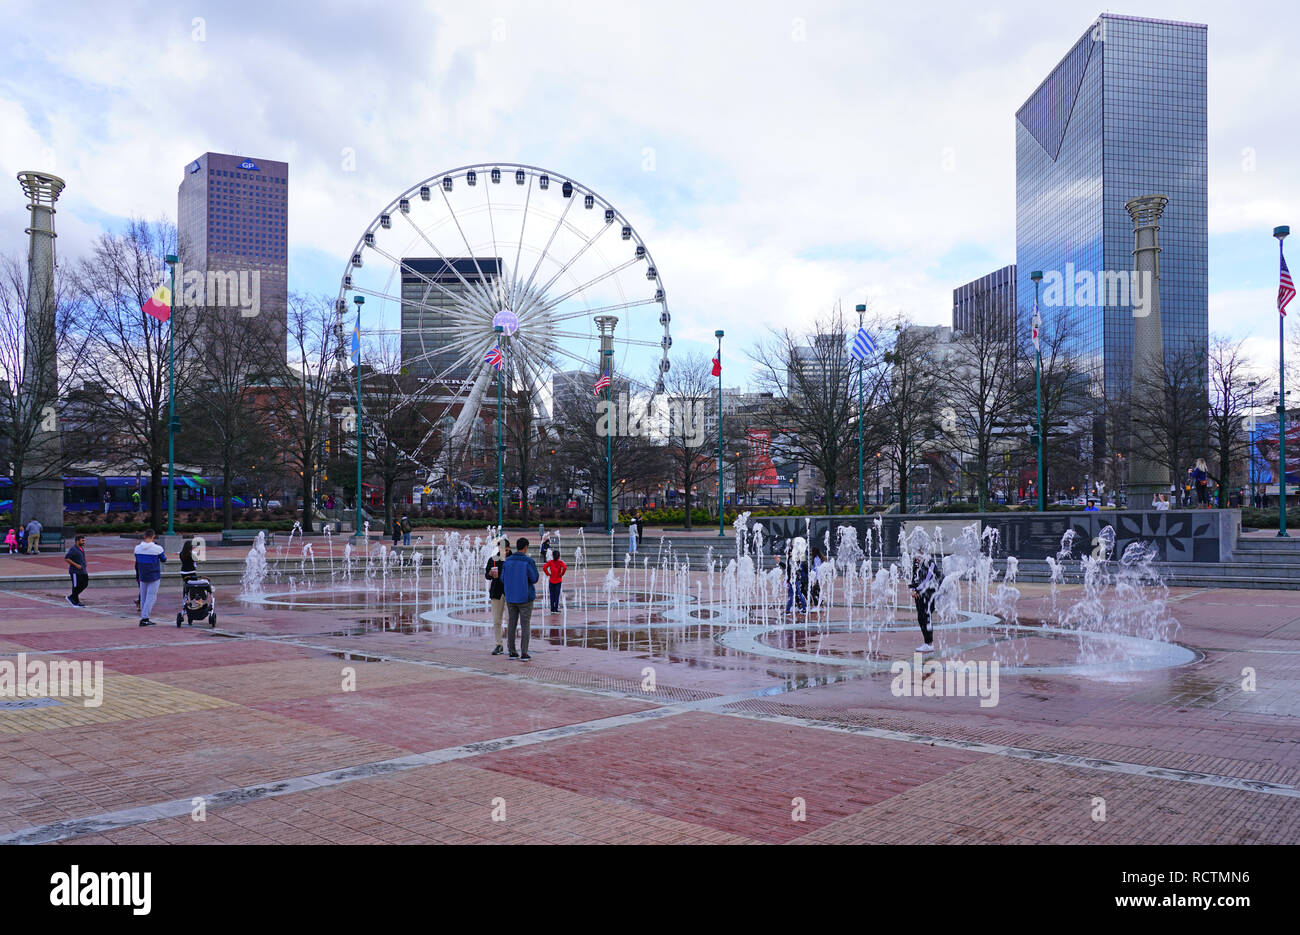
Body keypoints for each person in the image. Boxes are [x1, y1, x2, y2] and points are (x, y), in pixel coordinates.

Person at [501, 536, 539, 661]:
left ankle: (512, 651)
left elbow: (502, 578)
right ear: (526, 547)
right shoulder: (528, 561)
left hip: (511, 597)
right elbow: (534, 578)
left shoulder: (508, 561)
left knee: (511, 624)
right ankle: (524, 652)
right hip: (525, 597)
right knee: (525, 625)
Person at [133, 529, 166, 627]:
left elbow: (137, 559)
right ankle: (145, 618)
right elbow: (163, 559)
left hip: (142, 575)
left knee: (143, 597)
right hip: (154, 575)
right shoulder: (158, 548)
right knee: (151, 597)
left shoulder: (137, 548)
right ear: (153, 537)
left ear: (144, 536)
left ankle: (144, 617)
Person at [910, 548, 940, 653]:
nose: (916, 559)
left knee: (927, 617)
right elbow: (914, 578)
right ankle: (927, 642)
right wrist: (913, 589)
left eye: (918, 557)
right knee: (920, 618)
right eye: (915, 556)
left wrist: (917, 589)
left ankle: (929, 643)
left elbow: (927, 579)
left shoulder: (930, 563)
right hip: (919, 594)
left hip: (930, 594)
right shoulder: (916, 564)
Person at [484, 537, 510, 656]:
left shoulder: (513, 559)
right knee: (496, 620)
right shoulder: (493, 560)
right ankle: (498, 644)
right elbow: (487, 575)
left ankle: (511, 644)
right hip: (496, 592)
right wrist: (490, 574)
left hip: (510, 593)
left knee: (511, 620)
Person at [65, 534, 89, 607]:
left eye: (84, 540)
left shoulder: (81, 549)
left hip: (83, 571)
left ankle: (71, 597)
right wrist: (76, 565)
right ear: (77, 541)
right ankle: (75, 601)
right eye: (82, 540)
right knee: (75, 586)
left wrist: (85, 562)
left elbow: (81, 557)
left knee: (85, 584)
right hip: (75, 572)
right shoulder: (73, 549)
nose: (84, 542)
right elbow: (67, 558)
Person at [542, 548, 567, 613]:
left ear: (552, 556)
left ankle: (552, 608)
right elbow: (565, 567)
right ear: (559, 556)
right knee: (557, 595)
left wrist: (548, 574)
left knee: (552, 595)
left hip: (551, 580)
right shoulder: (560, 562)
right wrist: (562, 574)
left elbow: (544, 567)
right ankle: (555, 608)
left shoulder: (550, 562)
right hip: (558, 580)